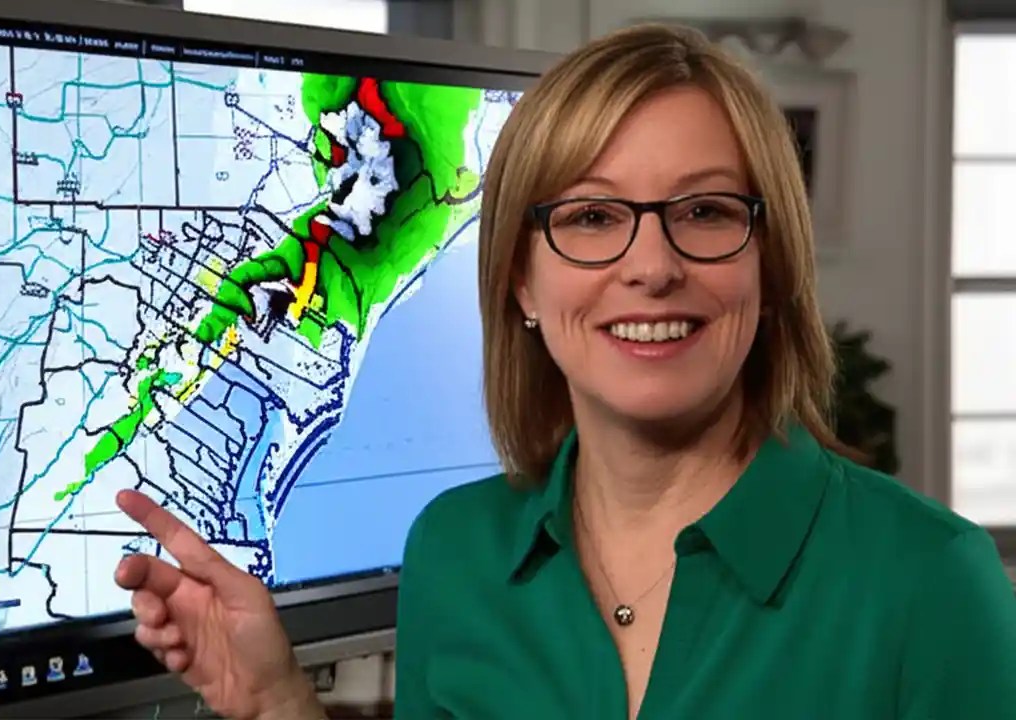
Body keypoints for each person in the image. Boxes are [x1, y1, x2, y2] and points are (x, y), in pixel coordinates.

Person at [113, 22, 1016, 720]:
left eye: (703, 210)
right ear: (520, 280)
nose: (652, 265)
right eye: (590, 217)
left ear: (770, 266)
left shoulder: (930, 581)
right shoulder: (455, 553)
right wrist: (279, 704)